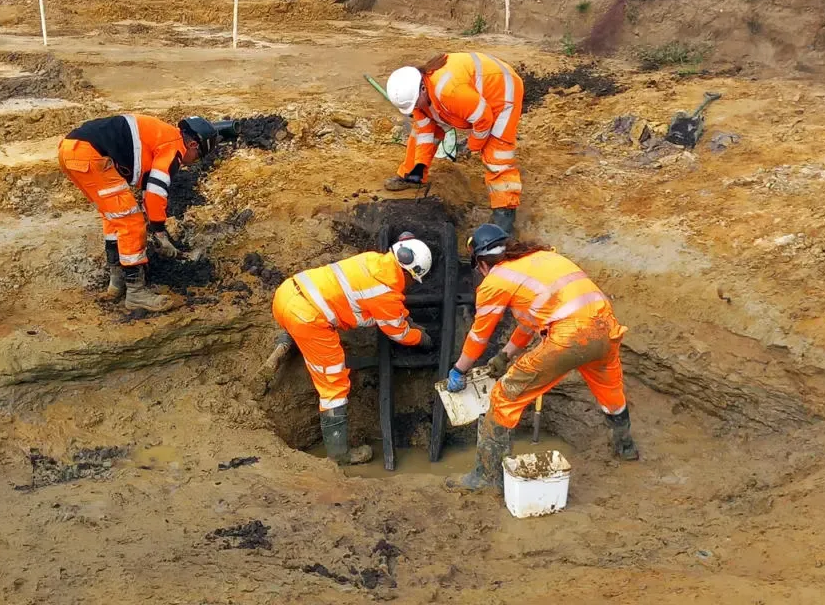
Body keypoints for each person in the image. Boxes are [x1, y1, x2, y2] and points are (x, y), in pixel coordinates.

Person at [445, 224, 639, 492]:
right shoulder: (542, 258)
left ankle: (487, 476)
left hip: (570, 334)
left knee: (504, 396)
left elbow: (479, 335)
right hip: (605, 327)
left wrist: (459, 369)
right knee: (611, 392)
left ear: (481, 262)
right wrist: (505, 355)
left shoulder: (496, 280)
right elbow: (529, 322)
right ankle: (625, 447)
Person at [272, 234, 434, 465]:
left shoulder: (372, 260)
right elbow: (397, 332)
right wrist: (420, 338)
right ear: (410, 273)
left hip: (286, 294)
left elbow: (366, 302)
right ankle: (339, 455)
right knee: (333, 385)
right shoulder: (385, 293)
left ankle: (288, 338)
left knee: (301, 319)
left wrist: (399, 316)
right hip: (307, 318)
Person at [58, 114, 217, 313]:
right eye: (196, 158)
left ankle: (117, 283)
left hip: (71, 150)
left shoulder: (161, 134)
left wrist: (156, 227)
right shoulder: (175, 147)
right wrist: (159, 232)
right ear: (193, 144)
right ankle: (136, 293)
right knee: (131, 221)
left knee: (113, 218)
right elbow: (156, 190)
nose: (190, 163)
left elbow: (147, 190)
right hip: (89, 155)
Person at [384, 53, 524, 234]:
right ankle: (410, 176)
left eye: (414, 105)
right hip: (471, 99)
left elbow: (484, 119)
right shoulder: (420, 97)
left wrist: (472, 145)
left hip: (502, 91)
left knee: (496, 155)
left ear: (423, 89)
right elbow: (426, 134)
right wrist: (419, 167)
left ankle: (504, 216)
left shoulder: (449, 91)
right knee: (419, 134)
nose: (414, 109)